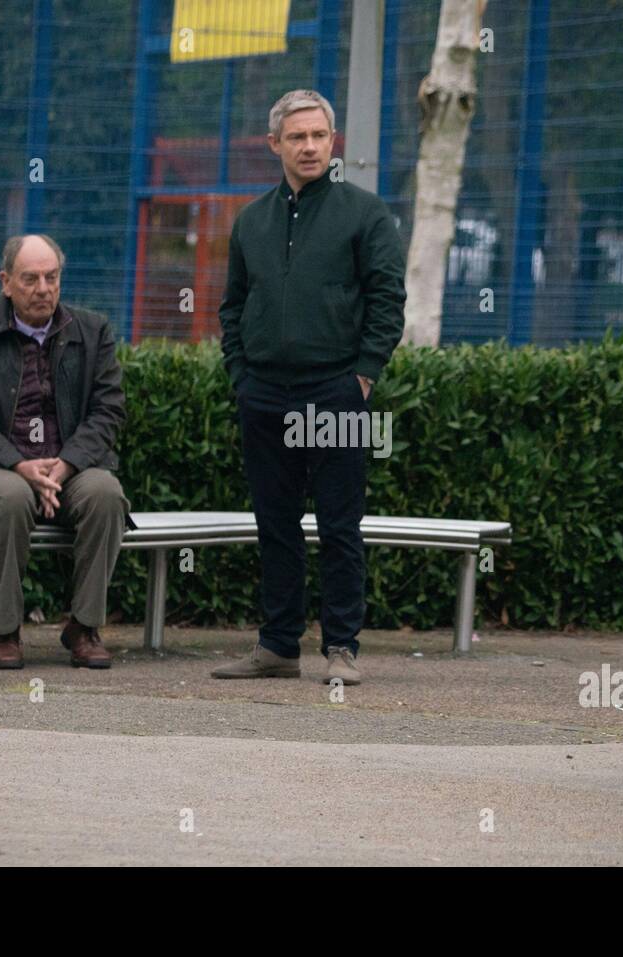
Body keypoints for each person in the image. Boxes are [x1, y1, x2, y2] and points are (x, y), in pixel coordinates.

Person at [213, 89, 406, 685]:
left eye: (319, 135)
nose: (310, 146)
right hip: (264, 394)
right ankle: (277, 647)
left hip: (336, 393)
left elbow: (387, 300)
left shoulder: (365, 213)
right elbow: (232, 308)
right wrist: (241, 377)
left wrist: (364, 376)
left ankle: (342, 649)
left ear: (333, 140)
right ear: (275, 144)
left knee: (340, 526)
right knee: (275, 526)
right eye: (296, 137)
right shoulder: (250, 221)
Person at [0, 234, 129, 670]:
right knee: (10, 497)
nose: (43, 288)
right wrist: (18, 464)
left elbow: (109, 411)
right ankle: (4, 629)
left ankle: (83, 627)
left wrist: (65, 465)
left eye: (52, 277)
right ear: (6, 282)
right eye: (30, 279)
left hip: (72, 466)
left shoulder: (92, 331)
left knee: (105, 494)